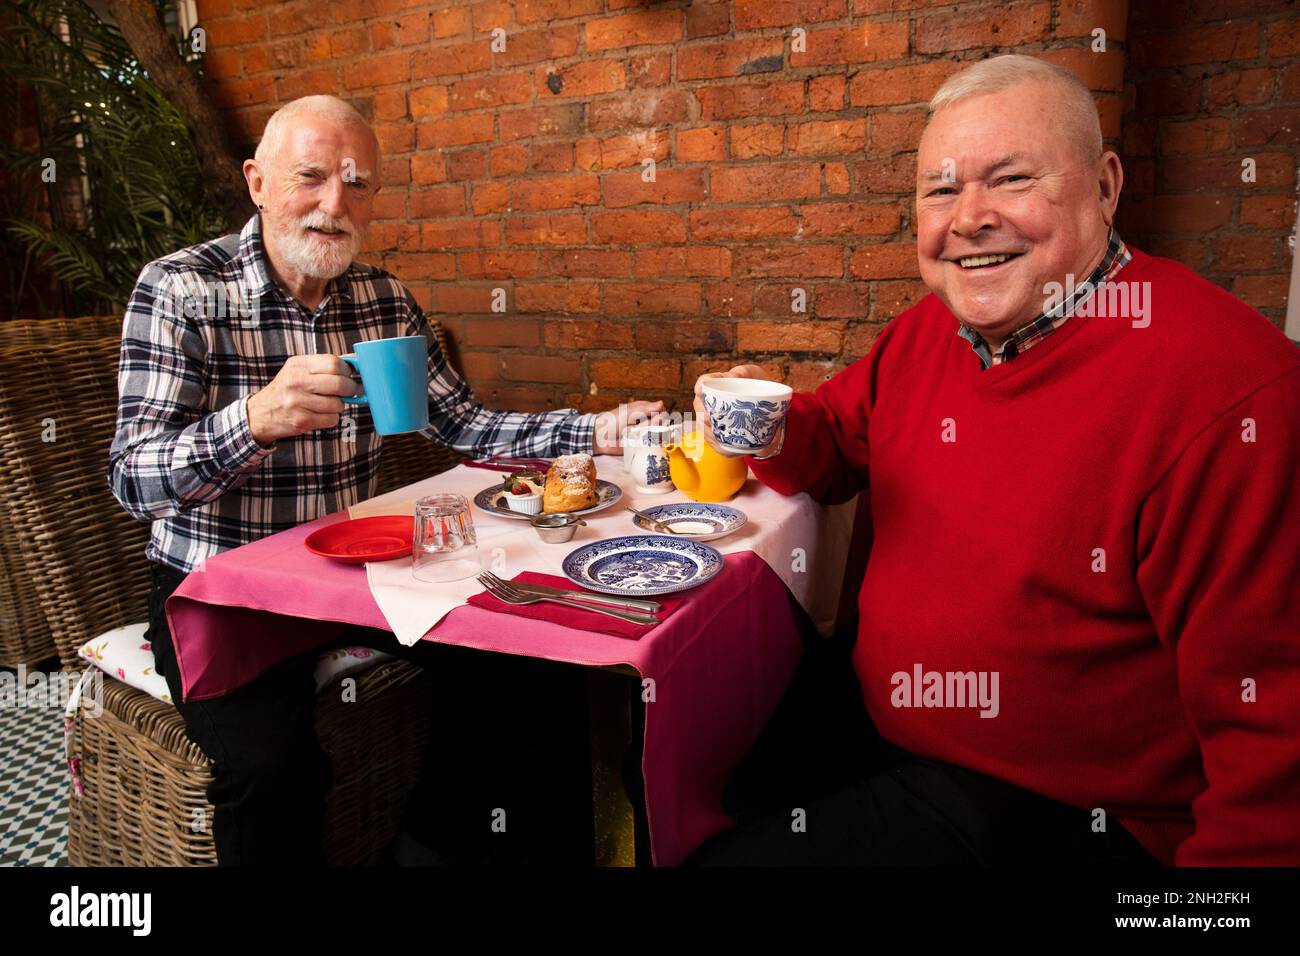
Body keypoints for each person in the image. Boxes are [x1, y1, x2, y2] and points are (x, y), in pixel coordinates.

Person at [689, 54, 1300, 866]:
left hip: (1068, 805)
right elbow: (836, 444)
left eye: (1010, 180)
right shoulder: (927, 334)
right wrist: (767, 422)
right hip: (892, 718)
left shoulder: (1233, 392)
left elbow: (1277, 744)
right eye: (941, 190)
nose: (969, 218)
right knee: (686, 776)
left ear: (1106, 187)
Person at [108, 95, 660, 865]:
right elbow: (133, 479)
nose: (335, 204)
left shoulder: (382, 297)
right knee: (272, 770)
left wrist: (599, 432)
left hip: (354, 562)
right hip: (221, 585)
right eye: (311, 177)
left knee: (535, 674)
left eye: (358, 184)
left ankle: (432, 850)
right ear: (256, 181)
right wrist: (254, 421)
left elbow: (465, 426)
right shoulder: (181, 291)